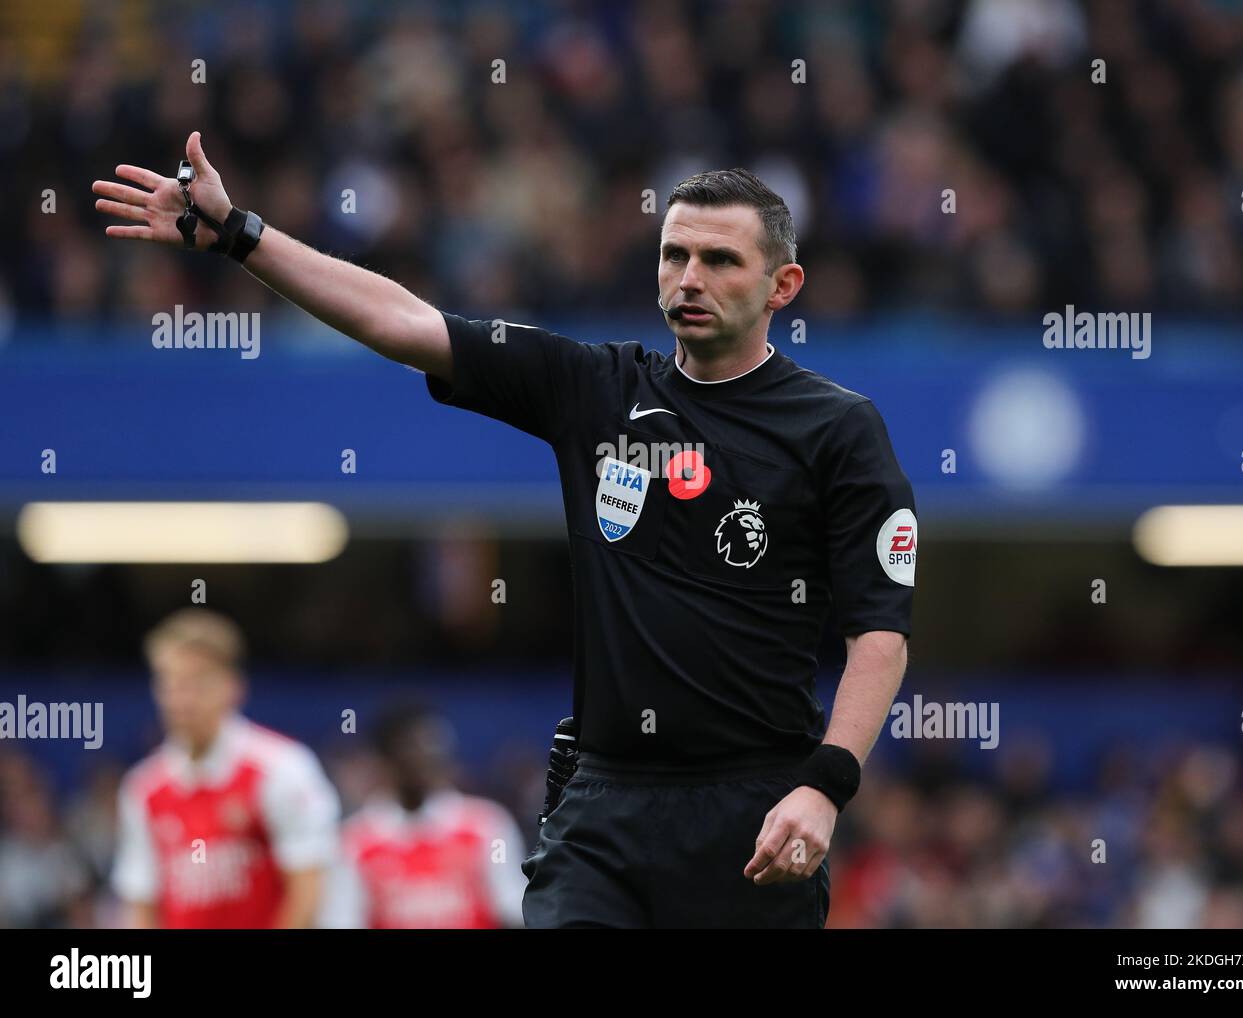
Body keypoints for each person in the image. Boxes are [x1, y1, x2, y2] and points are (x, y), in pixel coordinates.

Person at [93, 138, 915, 928]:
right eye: (674, 255)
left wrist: (825, 786)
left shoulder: (836, 429)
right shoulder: (597, 388)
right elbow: (403, 322)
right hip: (603, 809)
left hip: (755, 807)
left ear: (785, 283)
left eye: (721, 260)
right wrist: (243, 235)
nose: (688, 278)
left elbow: (879, 634)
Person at [111, 608, 340, 928]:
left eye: (197, 683)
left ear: (233, 687)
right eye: (170, 683)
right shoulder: (143, 788)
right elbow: (141, 904)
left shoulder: (281, 769)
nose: (182, 700)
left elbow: (308, 891)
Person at [321, 704, 527, 928]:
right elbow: (342, 921)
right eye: (414, 747)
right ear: (385, 759)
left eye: (436, 745)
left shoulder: (487, 824)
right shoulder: (355, 841)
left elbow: (512, 909)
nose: (428, 756)